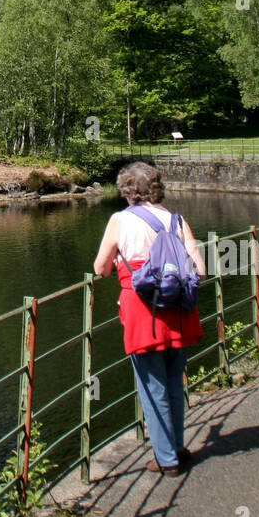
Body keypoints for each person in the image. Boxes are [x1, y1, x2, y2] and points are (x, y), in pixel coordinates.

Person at [93, 161, 206, 476]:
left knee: (151, 386)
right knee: (173, 381)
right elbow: (200, 269)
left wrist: (124, 261)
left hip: (143, 313)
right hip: (179, 312)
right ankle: (178, 448)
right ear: (156, 189)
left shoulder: (120, 221)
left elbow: (100, 268)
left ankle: (166, 459)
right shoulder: (176, 221)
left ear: (127, 191)